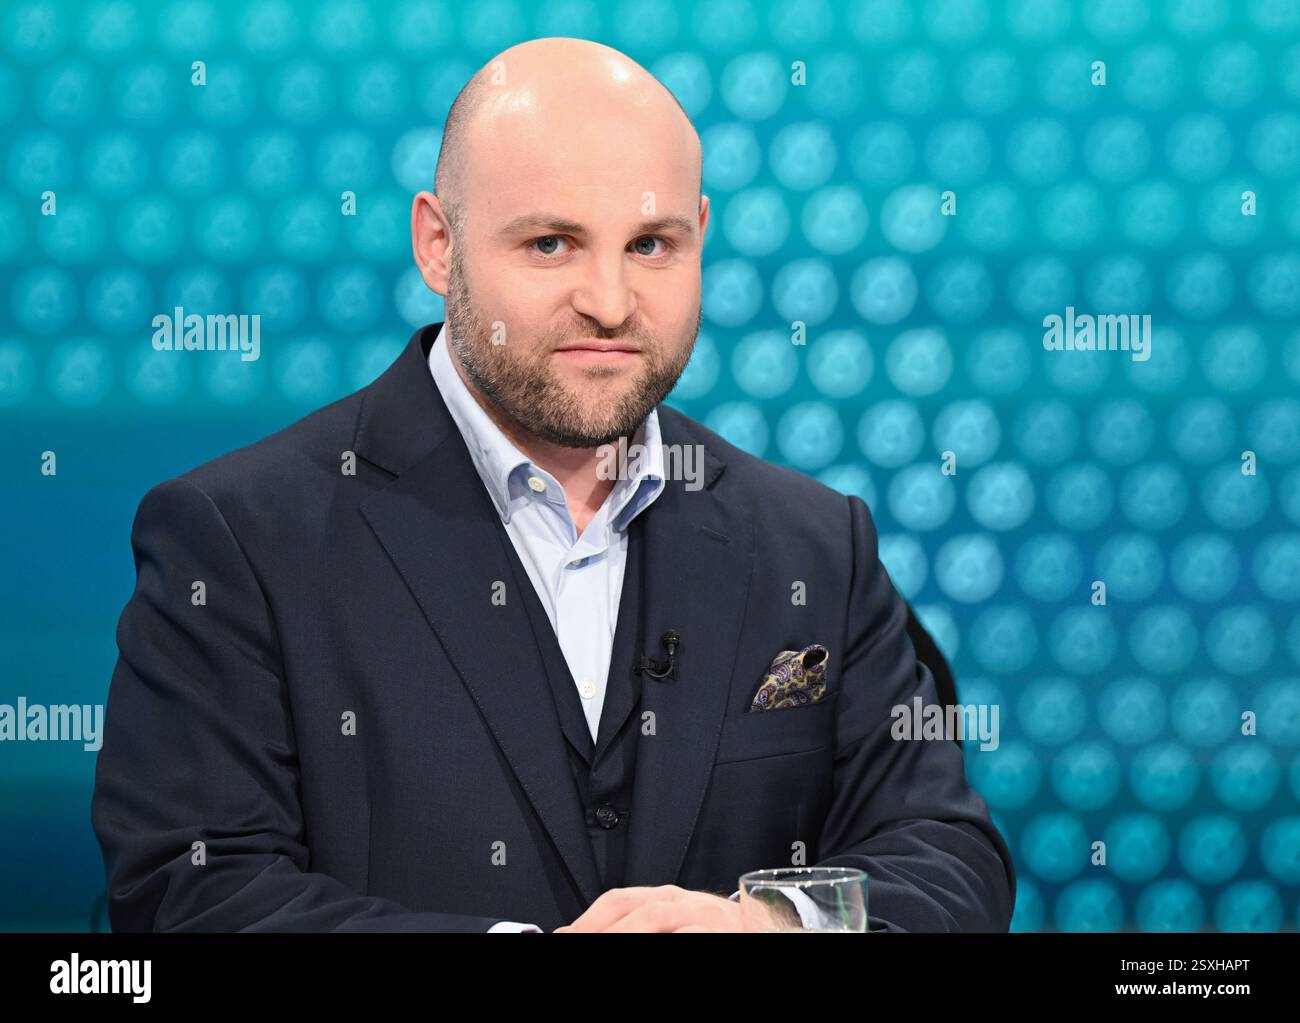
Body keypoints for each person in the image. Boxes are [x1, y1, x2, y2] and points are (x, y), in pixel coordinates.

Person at [92, 37, 1014, 933]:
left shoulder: (816, 544)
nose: (610, 302)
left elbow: (947, 856)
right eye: (551, 244)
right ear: (437, 245)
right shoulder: (239, 538)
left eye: (652, 245)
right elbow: (191, 893)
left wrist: (772, 924)